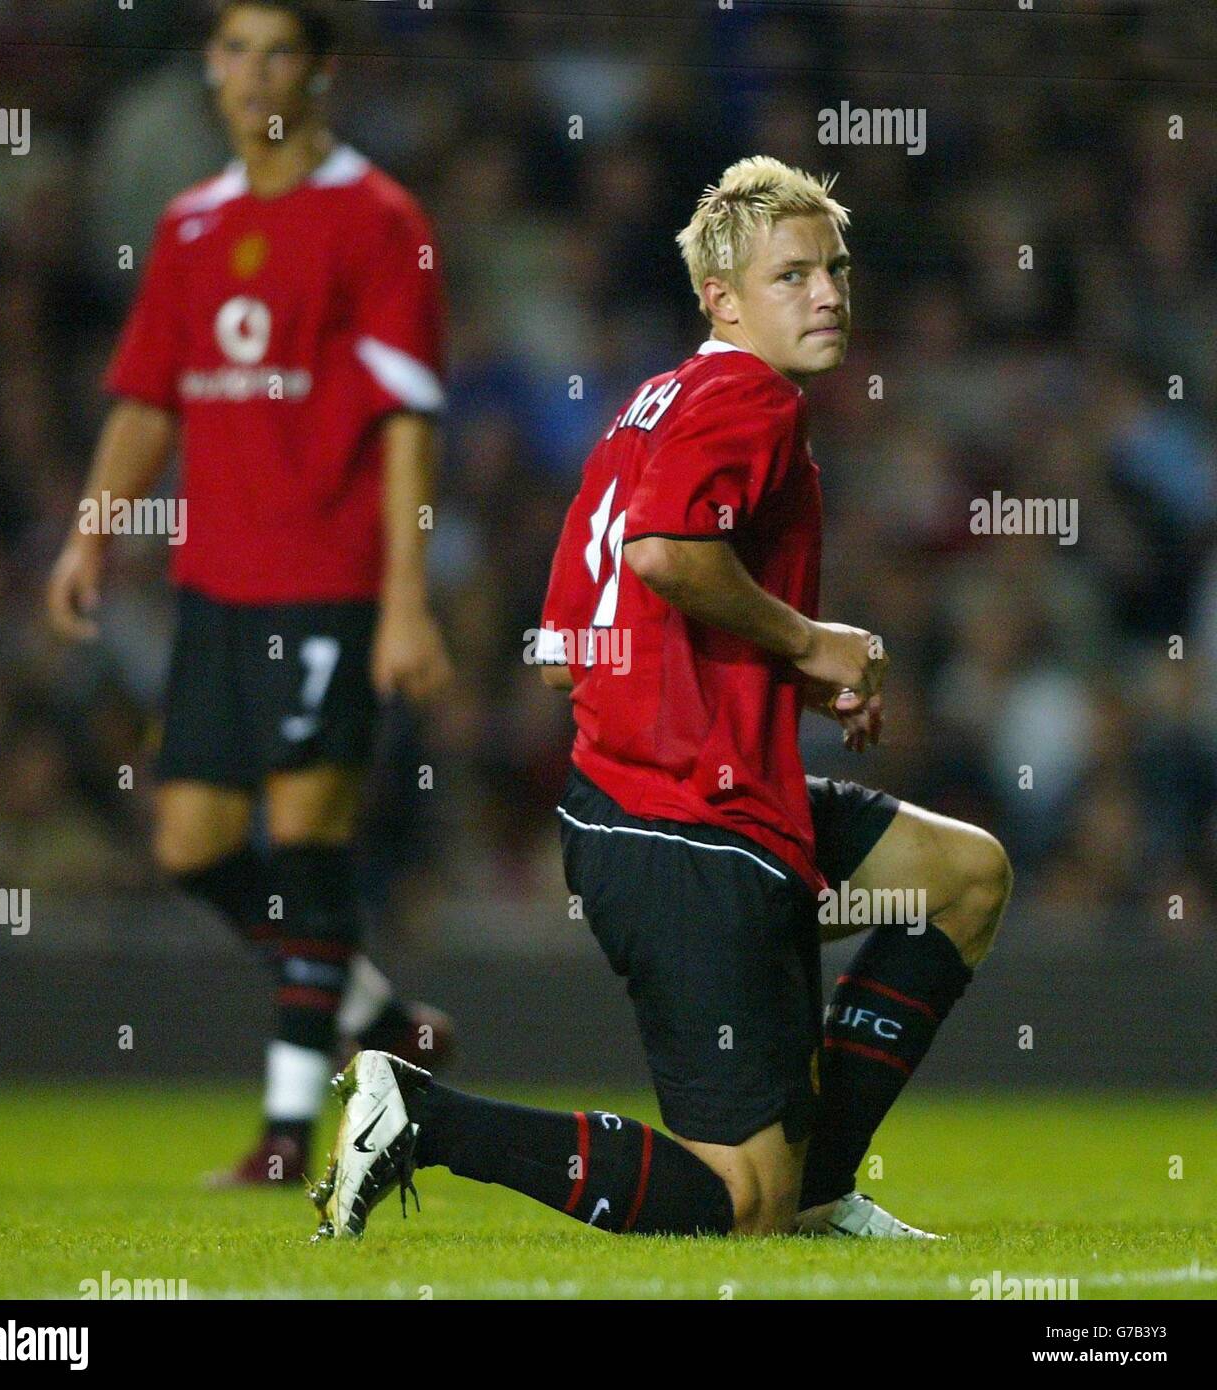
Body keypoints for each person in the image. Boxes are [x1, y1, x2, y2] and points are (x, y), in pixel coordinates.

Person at [313, 157, 1012, 1241]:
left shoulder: (647, 406)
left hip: (681, 800)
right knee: (736, 1210)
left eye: (833, 268)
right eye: (790, 276)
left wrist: (775, 678)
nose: (826, 293)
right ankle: (420, 1114)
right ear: (720, 301)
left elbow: (561, 647)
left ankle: (819, 1188)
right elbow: (662, 554)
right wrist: (806, 639)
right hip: (686, 830)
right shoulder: (748, 396)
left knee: (962, 876)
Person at [46, 0, 453, 1188]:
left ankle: (287, 1135)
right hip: (217, 587)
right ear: (209, 69)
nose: (252, 73)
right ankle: (384, 1019)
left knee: (309, 832)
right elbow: (145, 398)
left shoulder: (379, 219)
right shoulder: (189, 226)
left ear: (319, 69)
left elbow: (405, 419)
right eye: (232, 50)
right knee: (192, 844)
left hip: (330, 581)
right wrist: (91, 532)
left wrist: (406, 597)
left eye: (279, 50)